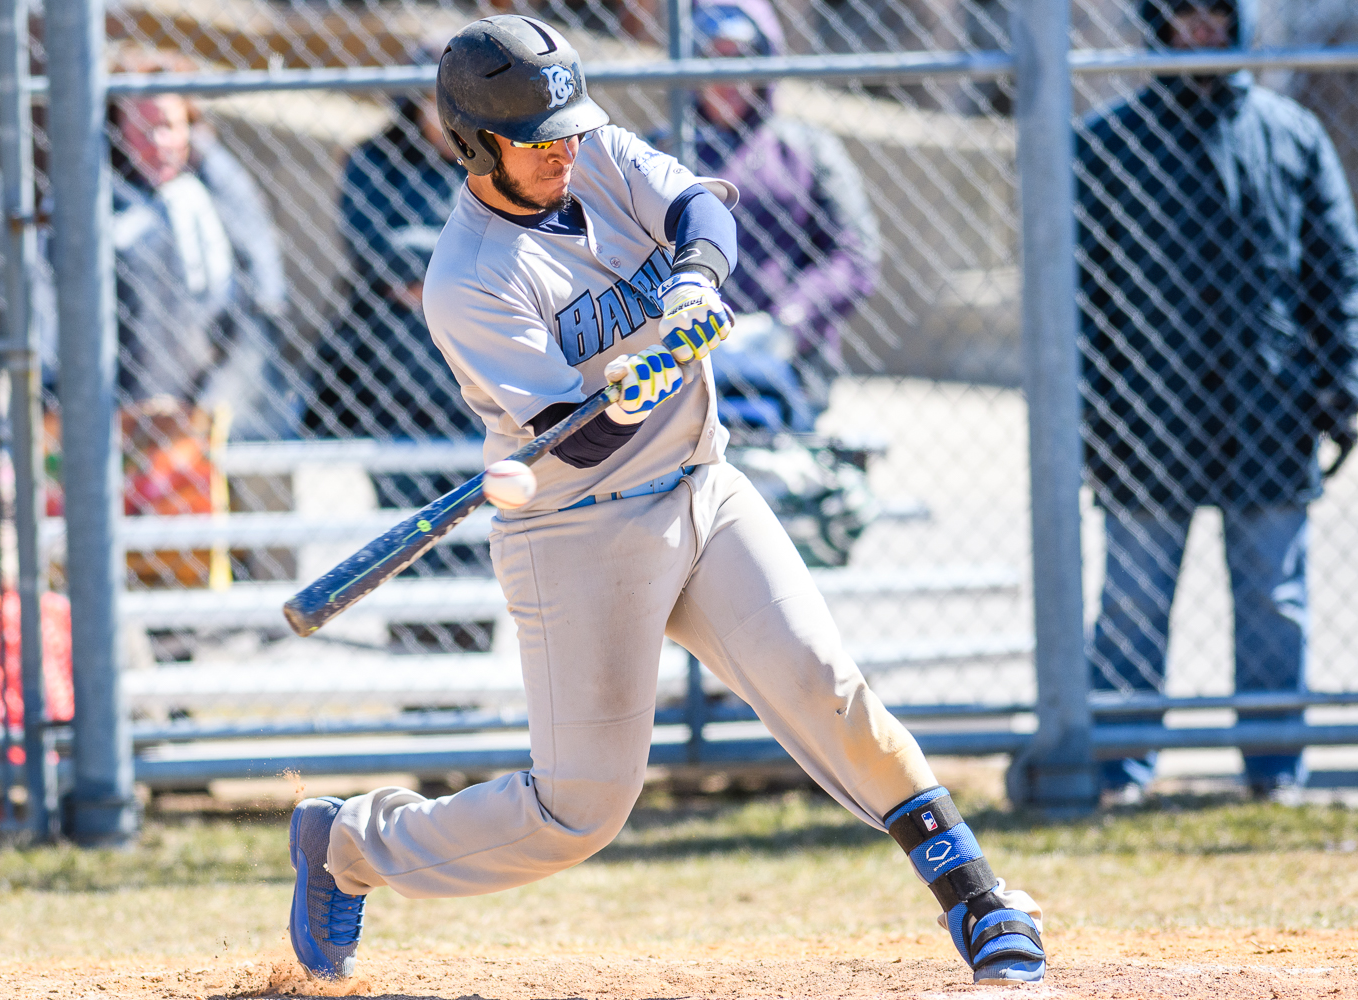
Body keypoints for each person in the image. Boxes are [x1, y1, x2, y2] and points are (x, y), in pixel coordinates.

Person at [284, 15, 1046, 986]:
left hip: (701, 484)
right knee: (579, 811)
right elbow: (582, 431)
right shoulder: (468, 278)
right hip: (579, 531)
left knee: (827, 684)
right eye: (538, 143)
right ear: (476, 147)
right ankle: (349, 843)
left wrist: (692, 286)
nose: (564, 151)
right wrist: (626, 392)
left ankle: (979, 902)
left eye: (568, 132)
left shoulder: (591, 149)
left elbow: (701, 211)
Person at [1078, 0, 1358, 800]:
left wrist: (1342, 385)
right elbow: (1078, 301)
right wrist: (1090, 417)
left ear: (1238, 24)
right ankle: (1116, 773)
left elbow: (1336, 270)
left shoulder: (1290, 135)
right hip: (1143, 422)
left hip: (1269, 411)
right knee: (1133, 601)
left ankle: (1276, 773)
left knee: (1276, 598)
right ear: (1155, 26)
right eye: (1181, 16)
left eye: (1213, 15)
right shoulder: (1107, 144)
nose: (1198, 30)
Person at [680, 0, 880, 387]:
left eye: (741, 59)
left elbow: (853, 255)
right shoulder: (663, 152)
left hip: (786, 367)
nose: (726, 77)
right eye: (712, 57)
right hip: (682, 362)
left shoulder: (806, 150)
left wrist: (787, 322)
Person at [106, 50, 293, 442]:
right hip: (125, 408)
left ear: (191, 125)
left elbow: (264, 296)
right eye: (139, 128)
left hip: (220, 402)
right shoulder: (102, 198)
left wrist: (211, 402)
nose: (157, 143)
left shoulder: (220, 186)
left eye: (168, 126)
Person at [305, 87, 484, 441]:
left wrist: (432, 273)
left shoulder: (488, 163)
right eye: (444, 106)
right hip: (388, 353)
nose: (458, 121)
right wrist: (464, 267)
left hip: (471, 347)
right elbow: (375, 251)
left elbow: (510, 245)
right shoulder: (374, 158)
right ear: (418, 104)